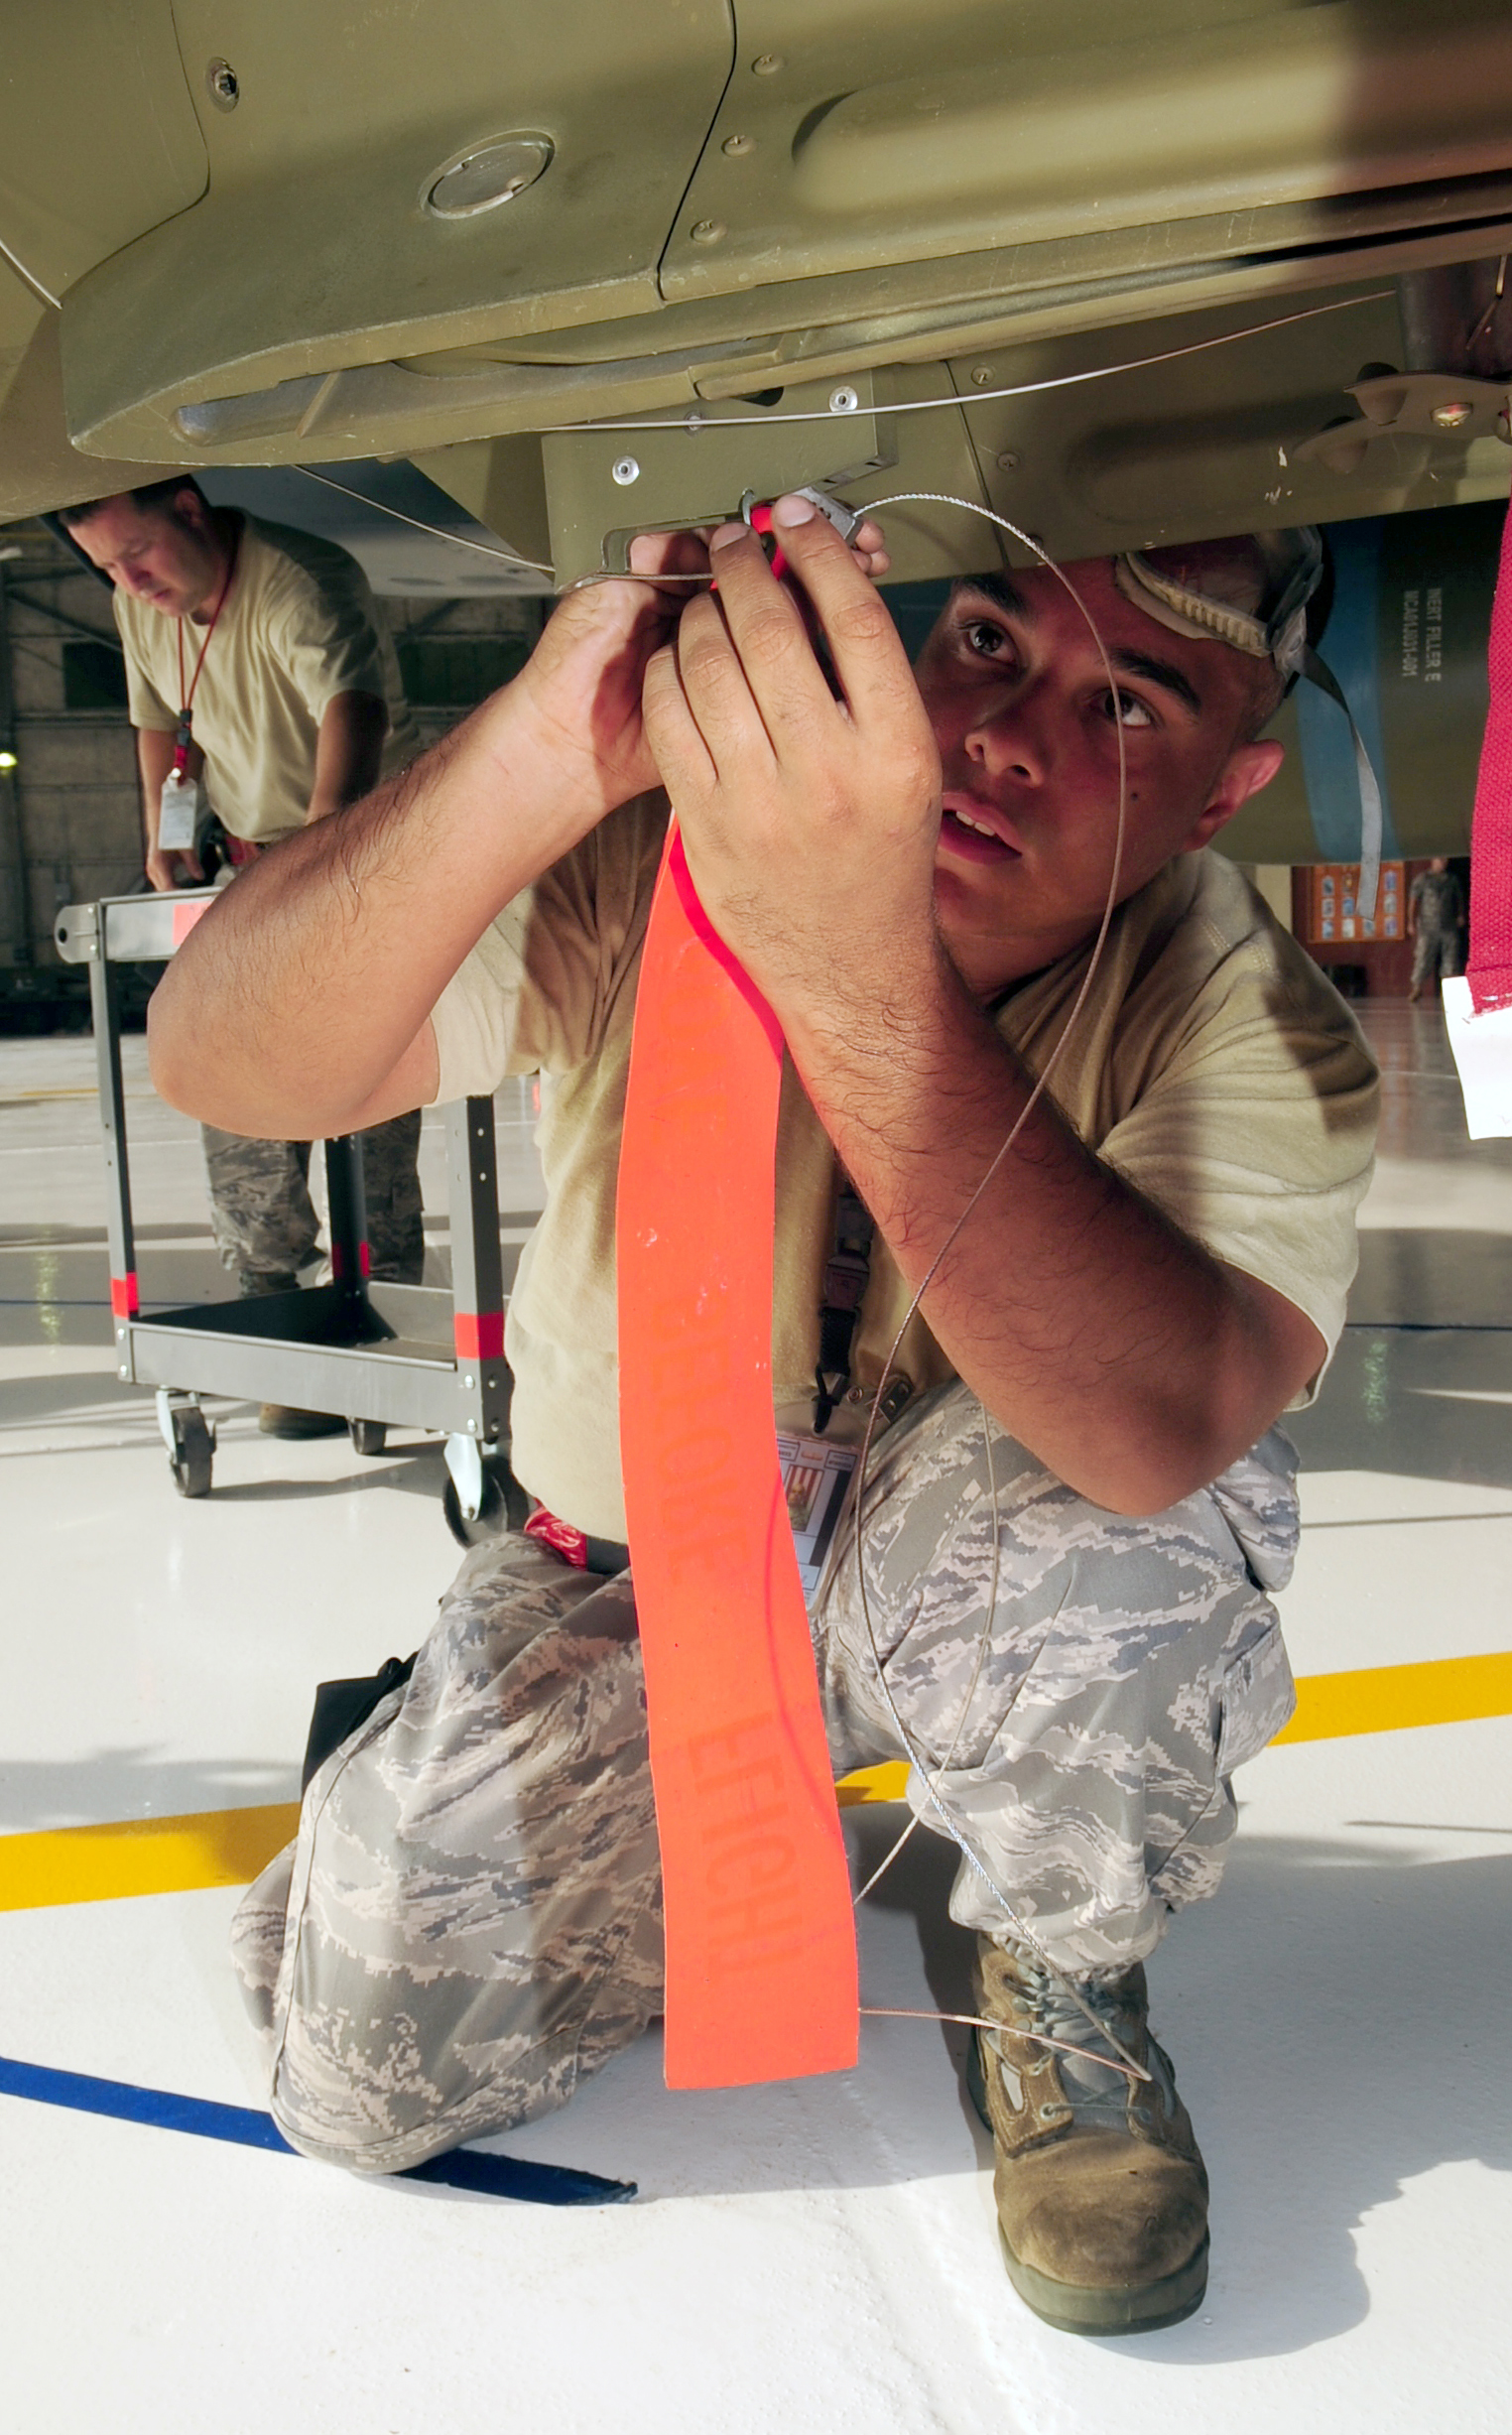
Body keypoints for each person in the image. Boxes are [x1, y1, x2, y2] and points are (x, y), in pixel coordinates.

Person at [147, 501, 1378, 2336]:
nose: (1004, 735)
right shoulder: (670, 850)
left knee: (1124, 1532)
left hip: (963, 1579)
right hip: (634, 1577)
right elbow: (222, 1055)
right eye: (981, 643)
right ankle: (544, 1782)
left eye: (1124, 704)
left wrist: (848, 973)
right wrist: (530, 760)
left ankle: (1057, 1955)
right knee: (364, 2074)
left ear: (1221, 792)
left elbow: (1156, 1426)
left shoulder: (1239, 1010)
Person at [62, 477, 426, 1435]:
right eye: (106, 567)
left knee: (373, 1124)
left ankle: (385, 1353)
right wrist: (163, 829)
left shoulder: (300, 581)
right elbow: (153, 716)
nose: (129, 582)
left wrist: (319, 862)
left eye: (135, 554)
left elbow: (356, 710)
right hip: (253, 873)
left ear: (188, 508)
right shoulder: (141, 601)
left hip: (363, 859)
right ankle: (281, 1337)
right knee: (243, 1112)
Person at [1407, 853, 1465, 1002]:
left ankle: (1448, 990)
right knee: (1423, 957)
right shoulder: (1423, 880)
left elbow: (1458, 899)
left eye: (1445, 860)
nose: (1443, 863)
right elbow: (1413, 902)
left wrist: (1460, 915)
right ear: (1433, 860)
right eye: (1440, 860)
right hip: (1427, 926)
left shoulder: (1451, 880)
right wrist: (1411, 922)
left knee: (1450, 959)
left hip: (1448, 925)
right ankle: (1417, 988)